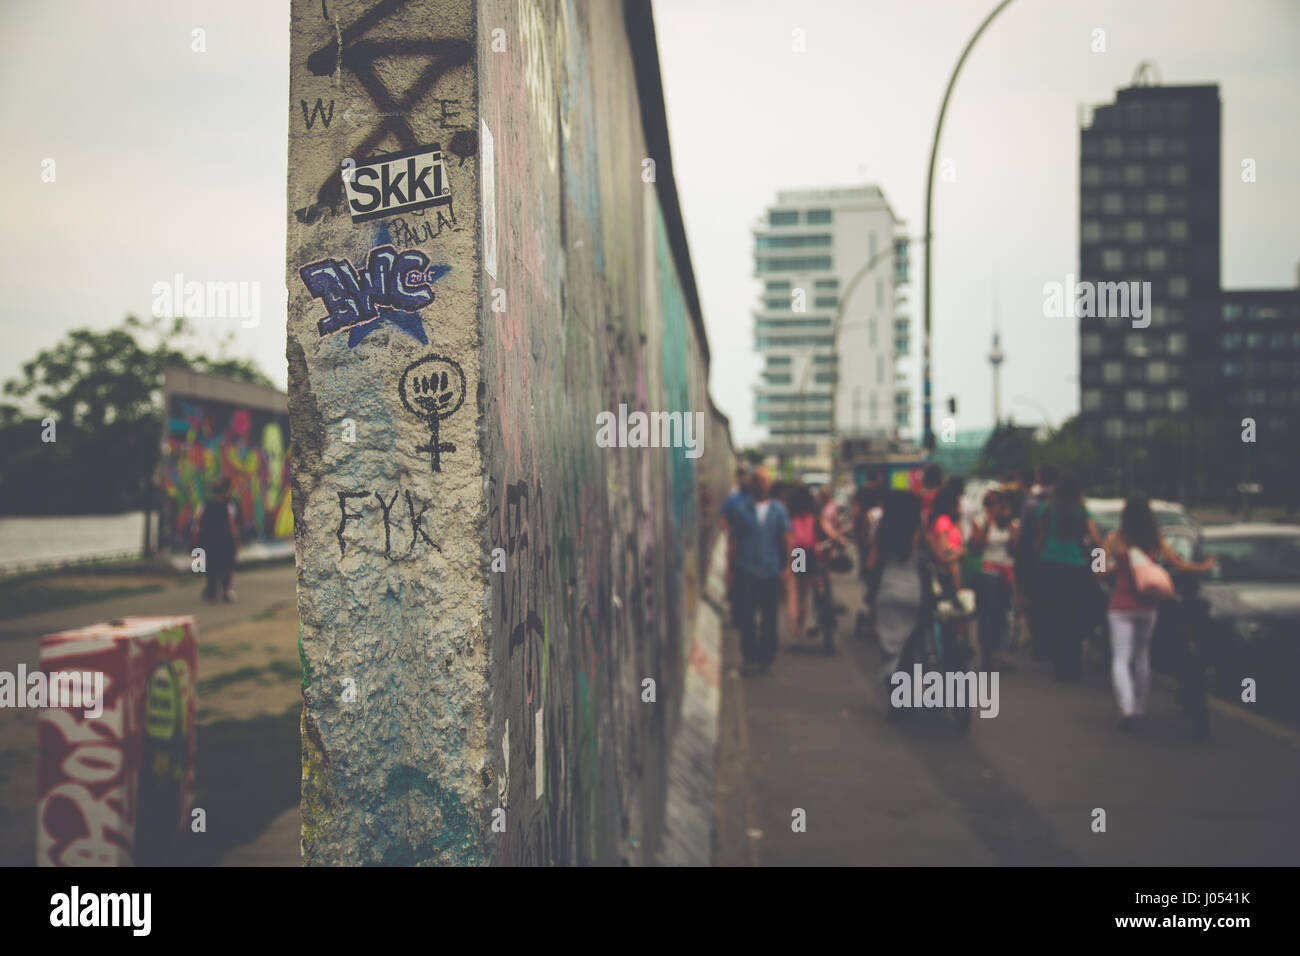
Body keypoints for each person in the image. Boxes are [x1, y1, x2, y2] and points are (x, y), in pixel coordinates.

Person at [1103, 496, 1215, 731]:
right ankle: (1141, 707)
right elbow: (1179, 563)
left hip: (1120, 606)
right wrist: (1204, 566)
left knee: (1121, 658)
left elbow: (1100, 568)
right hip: (1147, 606)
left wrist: (1112, 568)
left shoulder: (1115, 538)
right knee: (1142, 656)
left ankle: (1127, 708)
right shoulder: (1154, 540)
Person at [722, 466, 791, 674]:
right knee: (747, 616)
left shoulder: (779, 510)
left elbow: (788, 541)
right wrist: (730, 570)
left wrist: (790, 567)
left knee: (770, 617)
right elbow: (733, 542)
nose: (761, 484)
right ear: (752, 484)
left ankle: (766, 657)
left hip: (771, 571)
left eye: (765, 480)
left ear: (769, 484)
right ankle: (750, 656)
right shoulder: (741, 509)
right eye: (758, 480)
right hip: (746, 569)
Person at [1034, 472, 1101, 681]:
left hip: (1050, 564)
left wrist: (1039, 563)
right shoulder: (1081, 510)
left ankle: (1059, 666)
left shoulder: (1046, 509)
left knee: (1054, 615)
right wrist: (1100, 565)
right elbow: (1097, 540)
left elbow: (1040, 538)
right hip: (1075, 566)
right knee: (1073, 615)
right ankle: (1073, 665)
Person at [869, 488, 924, 700]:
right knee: (912, 642)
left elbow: (871, 564)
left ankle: (897, 695)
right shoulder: (916, 531)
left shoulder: (882, 533)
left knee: (889, 647)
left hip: (888, 594)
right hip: (913, 592)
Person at [970, 489, 1018, 669]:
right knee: (987, 614)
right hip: (988, 571)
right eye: (990, 504)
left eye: (997, 504)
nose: (994, 508)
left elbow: (1014, 550)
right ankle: (986, 654)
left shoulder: (1008, 524)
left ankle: (999, 652)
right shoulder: (981, 521)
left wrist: (1013, 533)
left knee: (1002, 612)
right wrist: (987, 525)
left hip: (1006, 570)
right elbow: (976, 546)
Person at [1016, 464, 1056, 660]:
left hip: (1041, 558)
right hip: (1072, 563)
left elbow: (1027, 535)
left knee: (1037, 601)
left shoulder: (1034, 503)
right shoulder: (1077, 506)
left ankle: (1040, 645)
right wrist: (1097, 563)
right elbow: (1093, 541)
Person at [786, 483, 820, 642]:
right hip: (809, 553)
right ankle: (800, 630)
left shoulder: (789, 514)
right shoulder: (813, 515)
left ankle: (794, 633)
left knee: (793, 593)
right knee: (804, 596)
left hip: (796, 552)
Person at [720, 465, 753, 628]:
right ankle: (736, 609)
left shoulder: (755, 500)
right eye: (742, 475)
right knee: (734, 576)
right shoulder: (733, 499)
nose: (744, 479)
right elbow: (723, 518)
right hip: (736, 543)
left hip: (750, 546)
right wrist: (729, 533)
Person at [198, 478, 240, 602]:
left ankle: (212, 591)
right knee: (226, 565)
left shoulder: (205, 504)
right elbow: (232, 523)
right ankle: (225, 590)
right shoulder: (229, 505)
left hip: (210, 539)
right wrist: (236, 539)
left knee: (211, 565)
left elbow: (199, 520)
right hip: (225, 539)